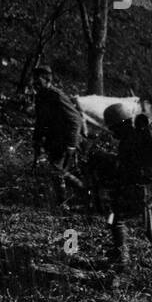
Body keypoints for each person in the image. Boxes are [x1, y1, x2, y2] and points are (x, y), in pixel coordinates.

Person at [104, 104, 152, 275]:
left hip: (149, 189)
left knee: (118, 219)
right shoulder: (143, 135)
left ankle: (123, 261)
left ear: (122, 124)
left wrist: (139, 176)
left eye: (114, 128)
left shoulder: (136, 138)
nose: (113, 133)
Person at [31, 65, 87, 208]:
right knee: (56, 170)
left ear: (47, 80)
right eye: (34, 80)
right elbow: (40, 120)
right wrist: (36, 140)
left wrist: (72, 144)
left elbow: (76, 119)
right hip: (53, 140)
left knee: (56, 170)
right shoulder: (40, 96)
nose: (35, 83)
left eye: (39, 80)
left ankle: (67, 200)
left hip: (65, 139)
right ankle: (80, 192)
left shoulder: (56, 95)